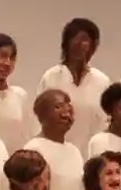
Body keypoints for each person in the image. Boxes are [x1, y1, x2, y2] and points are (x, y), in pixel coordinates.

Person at [37, 18, 110, 153]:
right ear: (66, 44)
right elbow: (39, 119)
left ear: (94, 46)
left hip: (93, 154)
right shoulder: (52, 77)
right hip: (56, 151)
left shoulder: (102, 81)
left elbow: (106, 123)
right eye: (75, 39)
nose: (80, 45)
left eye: (85, 40)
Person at [24, 89, 86, 190]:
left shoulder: (74, 152)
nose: (66, 114)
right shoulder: (34, 149)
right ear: (42, 115)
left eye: (69, 109)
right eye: (58, 107)